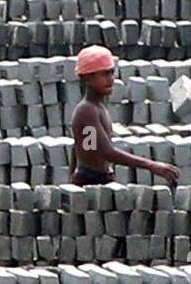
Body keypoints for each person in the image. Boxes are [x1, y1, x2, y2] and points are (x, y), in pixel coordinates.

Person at [69, 45, 179, 186]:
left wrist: (72, 176)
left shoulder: (97, 107)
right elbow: (105, 151)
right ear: (87, 79)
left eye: (111, 73)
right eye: (104, 74)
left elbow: (82, 145)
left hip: (98, 177)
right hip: (89, 180)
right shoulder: (86, 110)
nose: (110, 79)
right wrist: (152, 165)